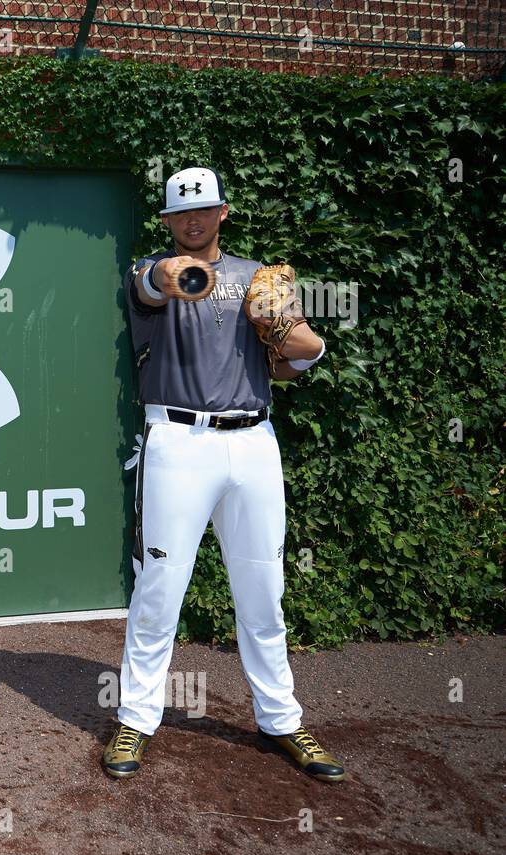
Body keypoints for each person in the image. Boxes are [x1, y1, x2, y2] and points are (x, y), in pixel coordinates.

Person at [103, 166, 346, 783]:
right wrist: (173, 276)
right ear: (166, 222)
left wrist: (305, 344)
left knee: (263, 589)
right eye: (180, 213)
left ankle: (282, 719)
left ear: (223, 211)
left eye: (203, 209)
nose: (192, 220)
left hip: (253, 442)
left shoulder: (258, 278)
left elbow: (287, 364)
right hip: (178, 441)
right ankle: (136, 715)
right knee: (160, 585)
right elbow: (158, 285)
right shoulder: (146, 271)